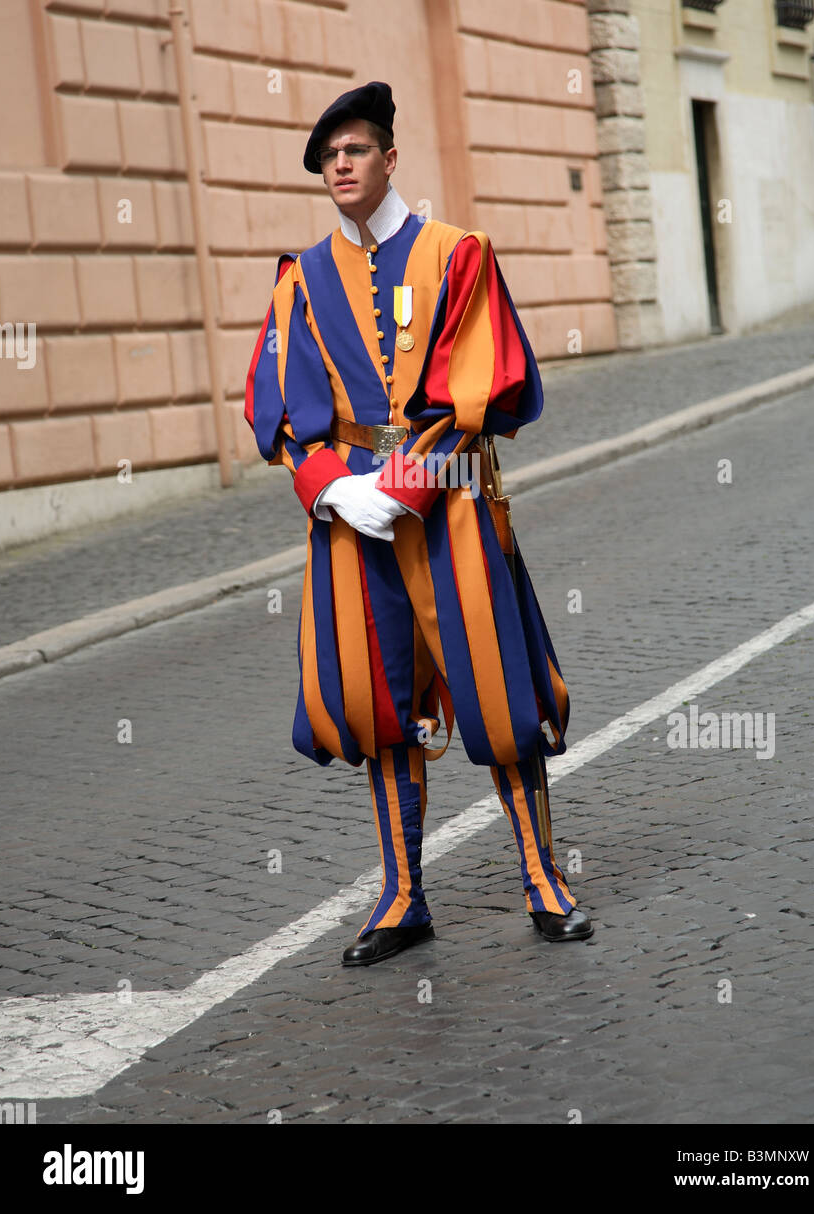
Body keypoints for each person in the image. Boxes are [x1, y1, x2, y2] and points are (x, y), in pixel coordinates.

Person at [245, 80, 593, 966]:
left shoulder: (458, 253)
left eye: (354, 151)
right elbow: (284, 408)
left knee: (496, 688)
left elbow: (474, 390)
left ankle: (542, 878)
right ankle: (403, 896)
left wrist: (401, 483)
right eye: (328, 158)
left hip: (450, 507)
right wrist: (331, 486)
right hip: (351, 520)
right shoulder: (302, 277)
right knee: (375, 702)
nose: (340, 167)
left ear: (389, 158)